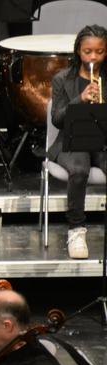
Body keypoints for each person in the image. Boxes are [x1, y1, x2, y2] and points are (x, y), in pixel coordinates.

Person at [49, 25, 106, 259]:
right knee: (80, 170)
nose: (93, 57)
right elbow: (57, 119)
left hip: (102, 141)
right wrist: (79, 100)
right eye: (88, 51)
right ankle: (76, 229)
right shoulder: (62, 79)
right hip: (71, 141)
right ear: (78, 52)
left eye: (100, 52)